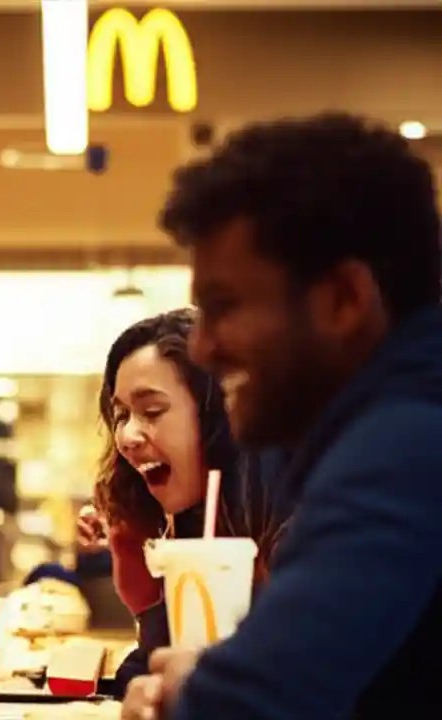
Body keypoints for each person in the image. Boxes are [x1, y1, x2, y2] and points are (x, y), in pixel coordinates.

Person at [122, 113, 442, 720]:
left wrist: (193, 693)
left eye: (225, 307)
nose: (203, 347)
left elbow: (252, 704)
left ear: (344, 300)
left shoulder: (404, 445)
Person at [79, 309, 270, 696]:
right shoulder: (188, 524)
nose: (127, 435)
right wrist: (129, 539)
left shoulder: (293, 520)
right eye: (121, 415)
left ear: (217, 414)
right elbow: (155, 658)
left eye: (152, 411)